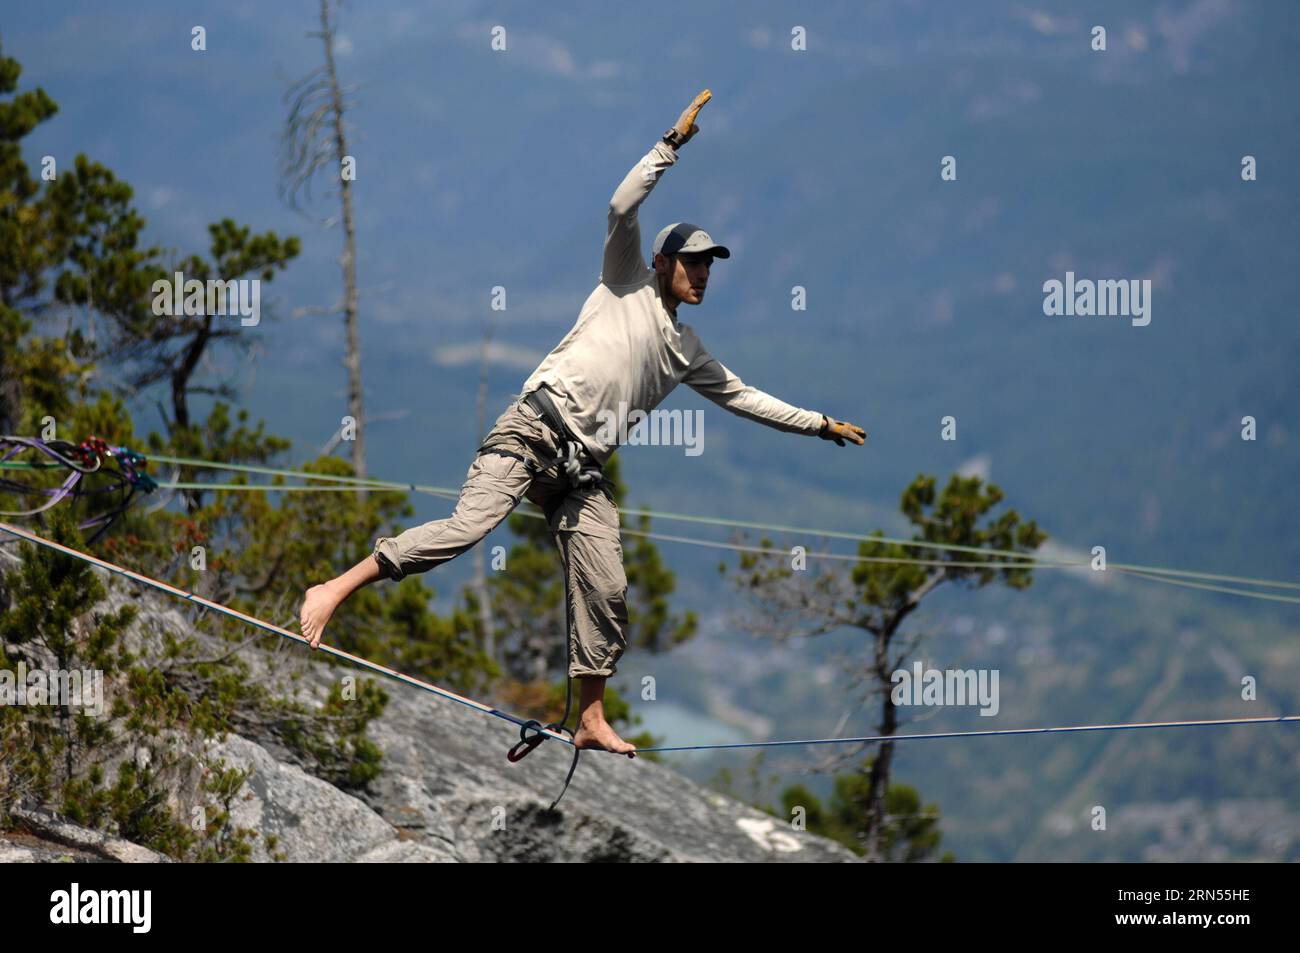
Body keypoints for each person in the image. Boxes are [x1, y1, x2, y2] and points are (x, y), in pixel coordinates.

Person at [299, 90, 865, 758]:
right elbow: (621, 205)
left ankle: (591, 716)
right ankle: (332, 588)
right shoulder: (622, 278)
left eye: (710, 265)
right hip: (532, 430)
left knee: (608, 579)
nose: (703, 273)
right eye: (693, 261)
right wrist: (668, 147)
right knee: (465, 529)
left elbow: (746, 399)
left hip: (576, 471)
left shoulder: (687, 351)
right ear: (660, 261)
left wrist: (820, 423)